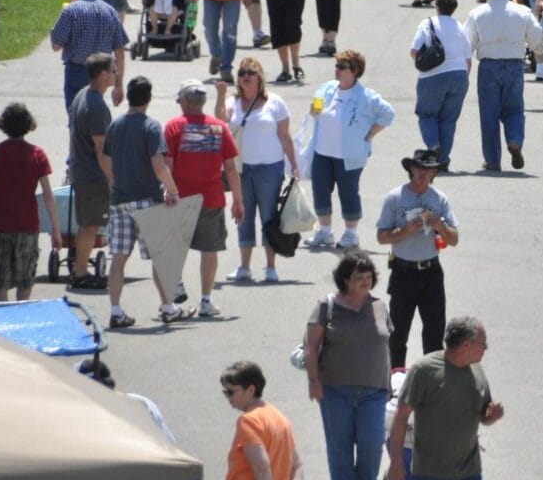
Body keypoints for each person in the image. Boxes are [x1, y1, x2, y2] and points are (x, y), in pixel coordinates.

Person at [386, 317, 504, 480]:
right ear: (466, 344)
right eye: (483, 344)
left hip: (468, 474)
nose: (485, 349)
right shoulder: (425, 370)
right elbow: (401, 417)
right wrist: (397, 463)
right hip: (429, 474)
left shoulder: (477, 371)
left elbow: (483, 414)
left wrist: (492, 415)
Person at [303, 251, 392, 480]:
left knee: (372, 444)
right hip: (335, 390)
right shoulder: (326, 306)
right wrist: (314, 382)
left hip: (374, 391)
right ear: (345, 280)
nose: (365, 282)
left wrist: (391, 380)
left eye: (368, 277)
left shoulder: (379, 306)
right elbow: (310, 347)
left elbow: (386, 345)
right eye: (358, 278)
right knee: (339, 448)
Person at [103, 76, 190, 329]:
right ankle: (167, 307)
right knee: (160, 256)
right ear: (149, 98)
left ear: (129, 96)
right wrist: (172, 191)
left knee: (118, 258)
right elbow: (159, 166)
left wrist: (115, 184)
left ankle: (116, 311)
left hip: (120, 200)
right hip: (147, 200)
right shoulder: (152, 127)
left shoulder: (115, 125)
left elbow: (107, 161)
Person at [164, 79, 243, 318]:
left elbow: (167, 163)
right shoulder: (219, 127)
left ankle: (176, 285)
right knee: (210, 250)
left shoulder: (173, 127)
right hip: (211, 198)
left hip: (180, 198)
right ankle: (206, 300)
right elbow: (231, 168)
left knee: (174, 246)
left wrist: (168, 190)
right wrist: (238, 201)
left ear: (186, 102)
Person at [303, 50, 396, 252]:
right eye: (336, 66)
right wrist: (313, 111)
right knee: (320, 190)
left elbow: (388, 113)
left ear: (355, 71)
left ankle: (351, 234)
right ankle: (325, 231)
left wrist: (370, 134)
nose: (337, 70)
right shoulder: (327, 88)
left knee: (348, 193)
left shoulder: (366, 96)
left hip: (350, 155)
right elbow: (315, 112)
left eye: (342, 67)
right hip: (322, 152)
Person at [376, 149, 460, 371]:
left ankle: (431, 379)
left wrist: (440, 226)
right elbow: (381, 237)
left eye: (428, 169)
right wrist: (404, 231)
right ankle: (395, 378)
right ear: (411, 169)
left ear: (434, 172)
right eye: (418, 168)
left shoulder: (440, 199)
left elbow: (454, 239)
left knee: (434, 331)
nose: (422, 173)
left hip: (431, 272)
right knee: (398, 331)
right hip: (403, 271)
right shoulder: (395, 197)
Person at [215, 58, 297, 284]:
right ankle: (244, 267)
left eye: (250, 73)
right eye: (242, 73)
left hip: (270, 168)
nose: (245, 76)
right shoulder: (233, 102)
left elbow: (284, 135)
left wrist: (294, 165)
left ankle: (271, 267)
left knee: (269, 217)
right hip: (241, 169)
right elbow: (220, 123)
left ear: (259, 77)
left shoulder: (275, 102)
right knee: (243, 215)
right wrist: (221, 96)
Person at [0, 104, 61, 303]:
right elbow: (48, 196)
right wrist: (56, 231)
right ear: (28, 126)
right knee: (25, 284)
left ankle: (0, 328)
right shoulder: (37, 155)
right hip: (27, 226)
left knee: (0, 285)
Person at [465, 0, 543, 172]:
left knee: (489, 114)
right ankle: (515, 140)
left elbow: (468, 44)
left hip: (488, 66)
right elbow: (537, 40)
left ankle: (493, 160)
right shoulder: (522, 11)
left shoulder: (477, 13)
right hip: (514, 66)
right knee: (514, 109)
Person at [222, 360, 303, 480]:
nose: (227, 397)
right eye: (225, 392)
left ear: (251, 390)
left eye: (231, 392)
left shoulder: (248, 421)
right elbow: (297, 464)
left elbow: (261, 465)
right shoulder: (279, 417)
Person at [65, 53, 116, 290]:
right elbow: (102, 150)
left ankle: (79, 267)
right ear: (103, 74)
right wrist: (112, 181)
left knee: (87, 223)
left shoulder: (81, 95)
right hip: (91, 175)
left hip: (80, 169)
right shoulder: (96, 106)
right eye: (113, 71)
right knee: (90, 225)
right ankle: (81, 272)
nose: (116, 74)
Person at [49, 0, 129, 113]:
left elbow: (56, 45)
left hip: (76, 71)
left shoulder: (71, 11)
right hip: (102, 74)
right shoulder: (110, 11)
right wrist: (119, 84)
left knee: (75, 117)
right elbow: (120, 51)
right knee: (94, 115)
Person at [408, 0, 471, 170]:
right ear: (454, 7)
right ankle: (443, 161)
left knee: (427, 115)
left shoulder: (427, 24)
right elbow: (468, 60)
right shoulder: (460, 27)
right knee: (449, 119)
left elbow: (414, 51)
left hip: (433, 76)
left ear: (437, 6)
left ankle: (433, 146)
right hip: (459, 76)